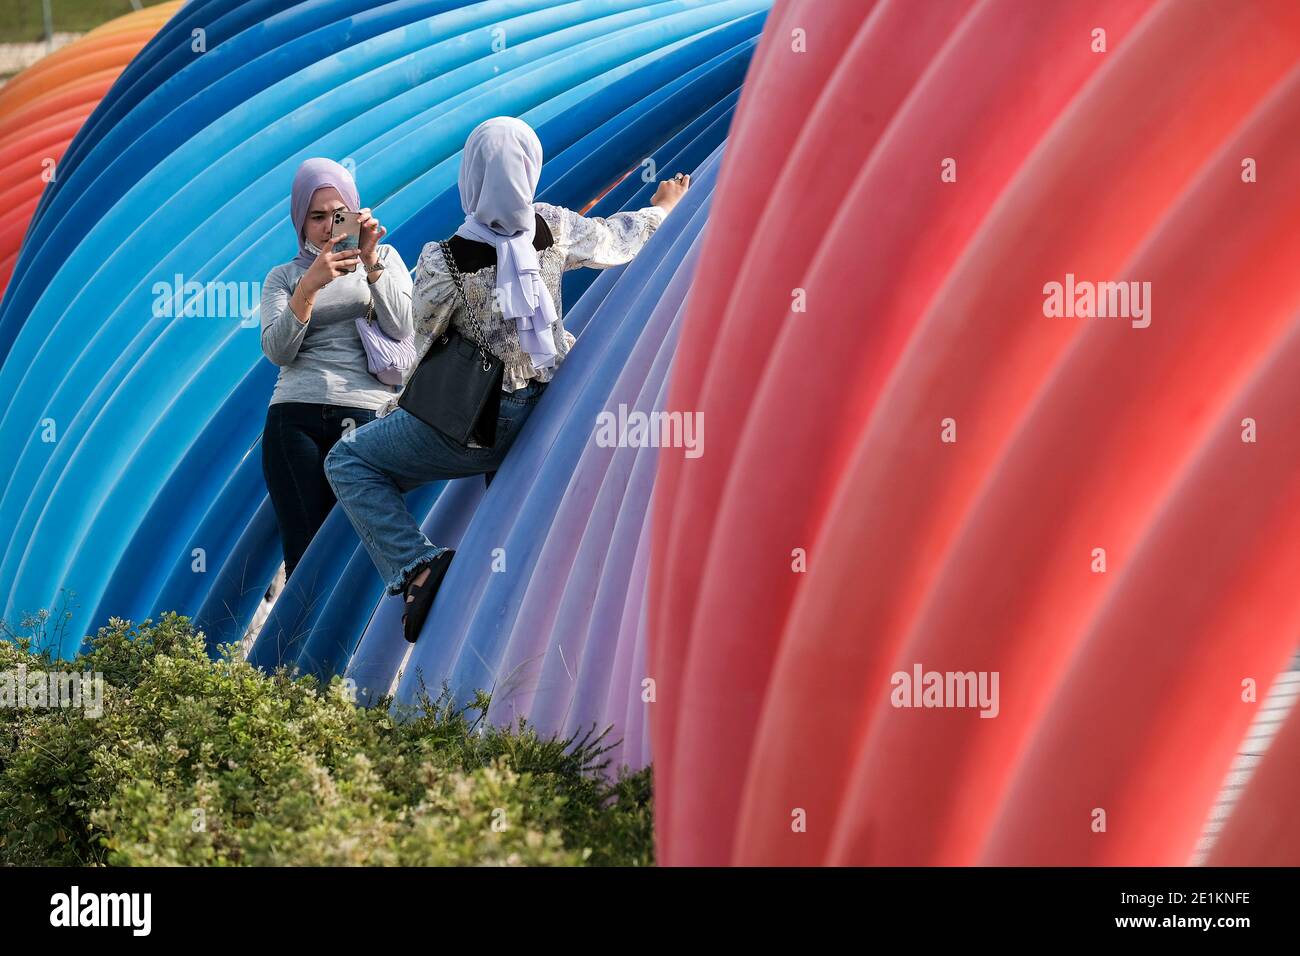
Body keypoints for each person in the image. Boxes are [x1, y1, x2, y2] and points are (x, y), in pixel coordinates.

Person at [325, 116, 690, 643]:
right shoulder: (552, 228)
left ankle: (418, 568)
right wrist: (662, 210)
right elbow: (617, 240)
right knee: (509, 526)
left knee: (351, 460)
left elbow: (414, 343)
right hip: (554, 410)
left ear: (470, 176)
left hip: (473, 430)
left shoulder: (446, 259)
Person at [260, 157, 414, 581]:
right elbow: (278, 350)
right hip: (296, 417)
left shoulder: (383, 257)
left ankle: (364, 648)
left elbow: (403, 324)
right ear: (300, 220)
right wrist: (309, 286)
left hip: (366, 416)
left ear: (357, 213)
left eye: (338, 214)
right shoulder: (285, 276)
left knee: (363, 556)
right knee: (305, 555)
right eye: (317, 217)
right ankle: (296, 648)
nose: (329, 226)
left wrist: (370, 262)